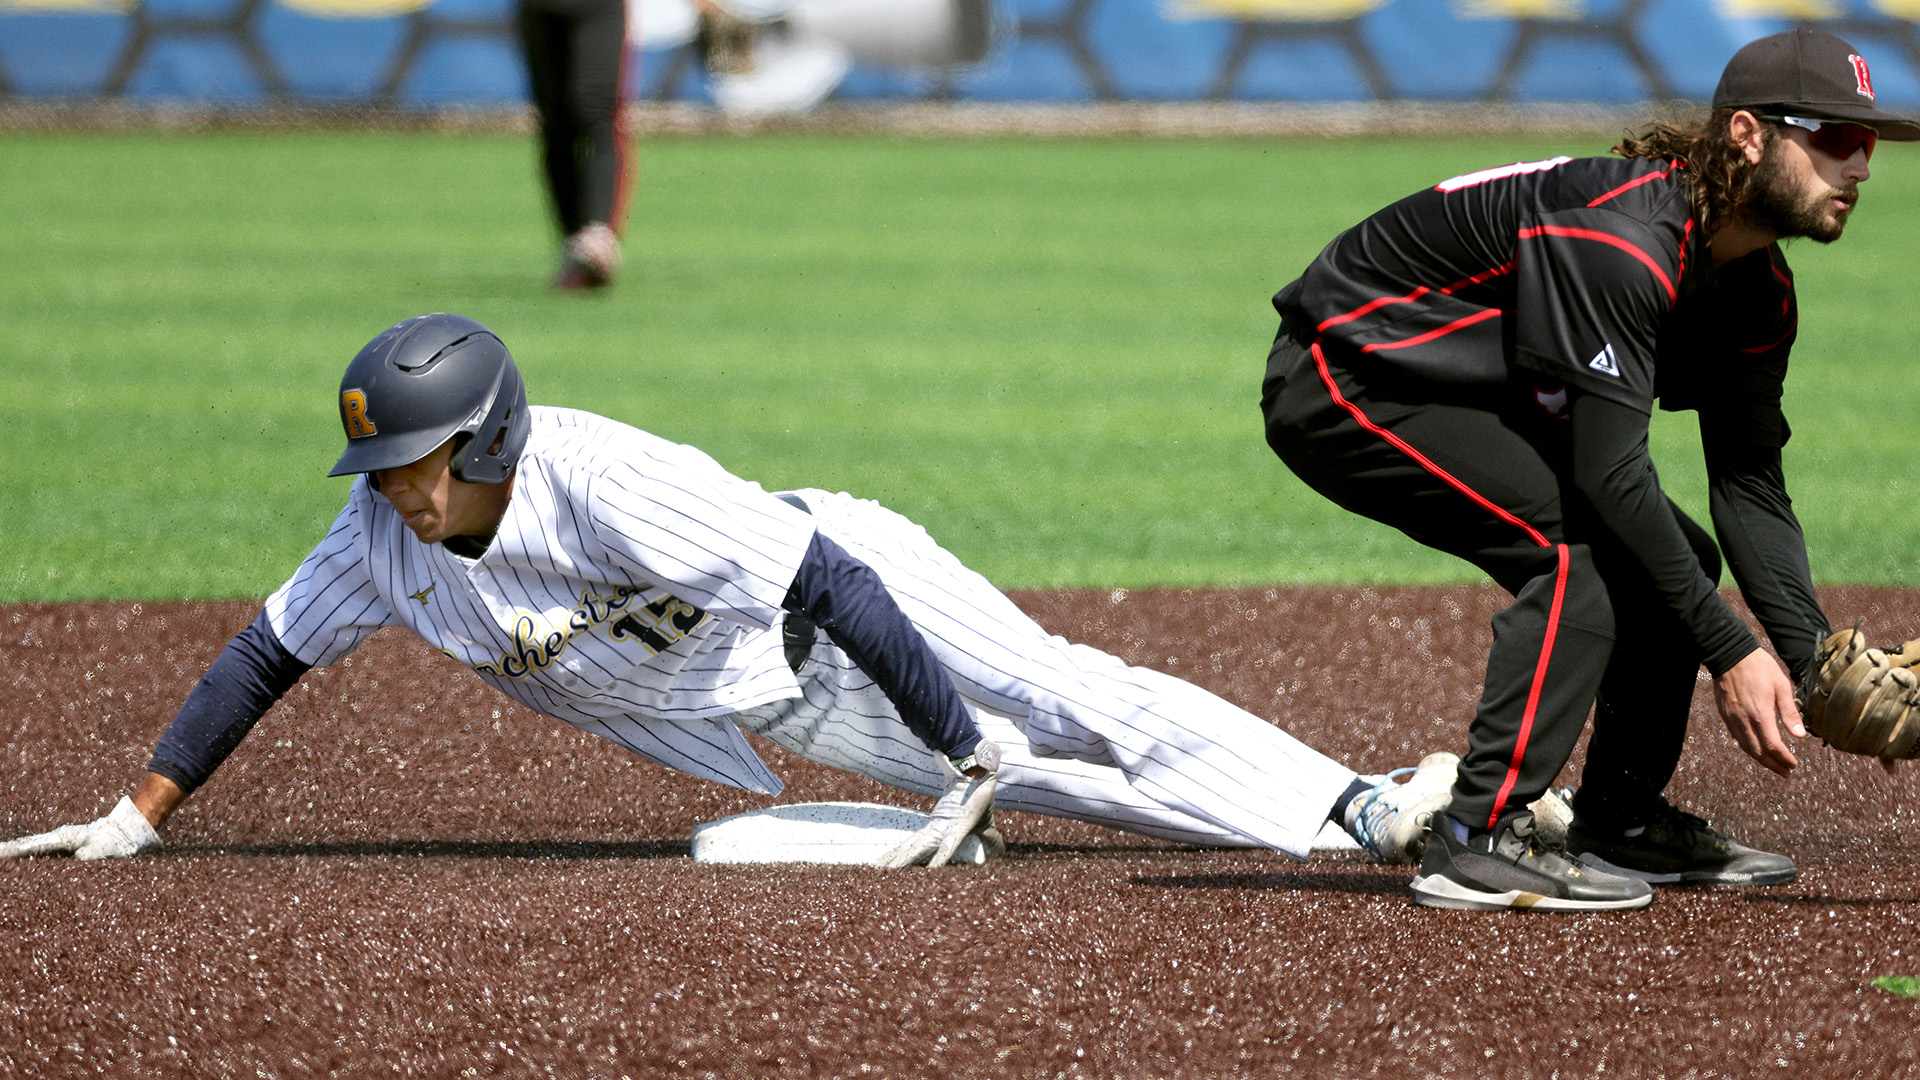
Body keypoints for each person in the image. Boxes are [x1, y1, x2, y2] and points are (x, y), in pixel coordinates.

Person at [1, 314, 1451, 870]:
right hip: (776, 685)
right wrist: (142, 812)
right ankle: (1340, 816)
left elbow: (824, 572)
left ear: (491, 436)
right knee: (1064, 790)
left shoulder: (610, 478)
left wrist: (958, 739)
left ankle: (1364, 807)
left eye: (414, 459)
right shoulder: (376, 544)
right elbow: (265, 655)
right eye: (377, 463)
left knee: (1064, 693)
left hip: (846, 592)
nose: (392, 485)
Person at [1260, 28, 1919, 912]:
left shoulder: (1758, 292)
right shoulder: (1625, 240)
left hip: (1465, 385)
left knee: (1673, 556)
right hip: (1349, 369)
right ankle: (1476, 837)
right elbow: (1611, 476)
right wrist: (1729, 651)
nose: (1861, 165)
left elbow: (1750, 482)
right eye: (1835, 137)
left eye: (1869, 143)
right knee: (1578, 551)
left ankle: (1621, 819)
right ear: (1749, 135)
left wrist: (1812, 668)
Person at [517, 0, 634, 290]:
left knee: (594, 110)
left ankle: (598, 235)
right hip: (540, 8)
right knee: (556, 124)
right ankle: (573, 243)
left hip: (597, 7)